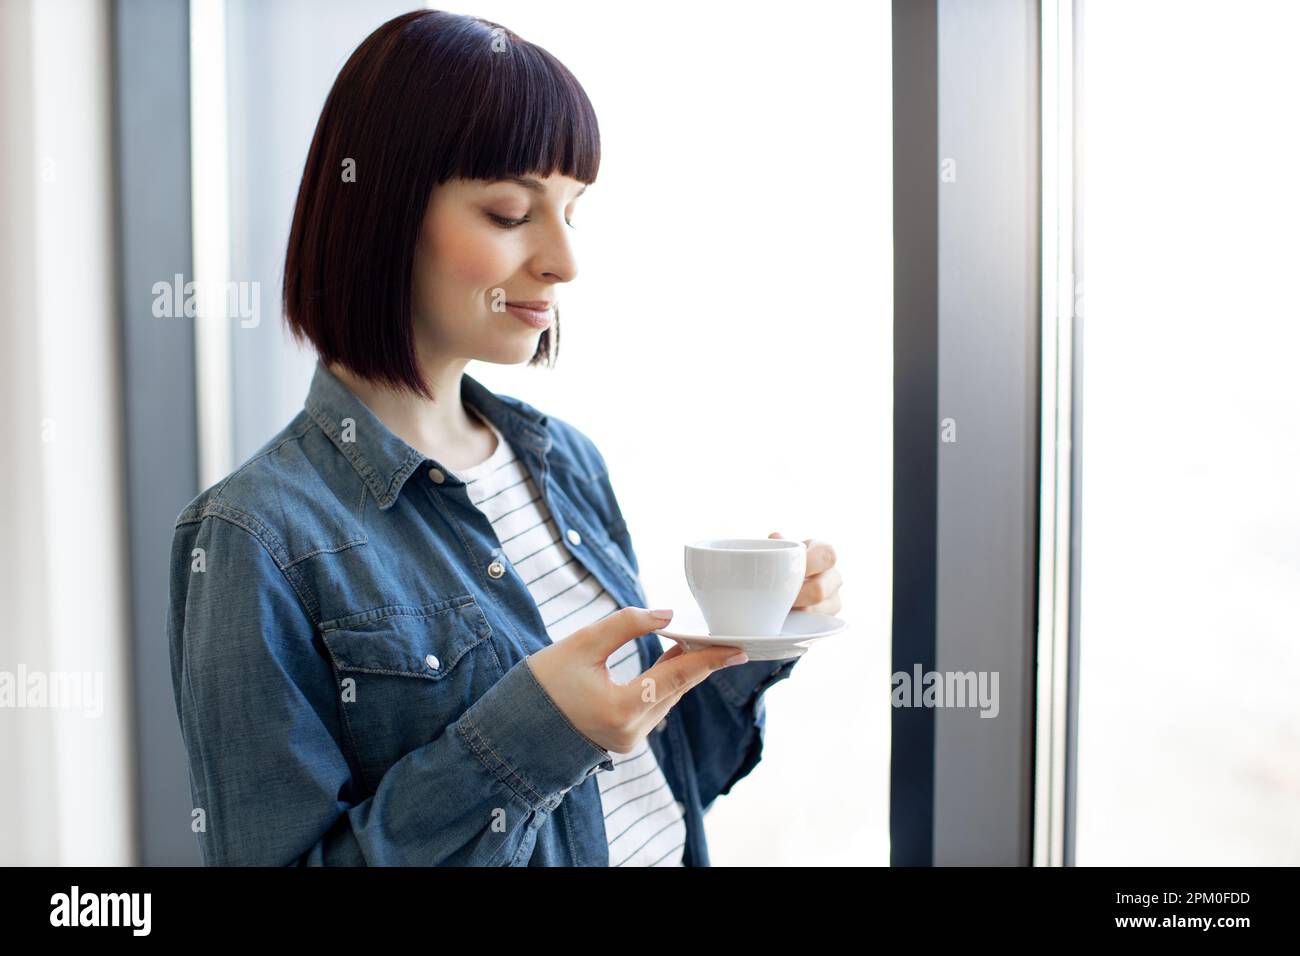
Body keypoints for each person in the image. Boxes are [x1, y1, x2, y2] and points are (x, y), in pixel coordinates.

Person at [166, 8, 843, 867]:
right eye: (510, 211)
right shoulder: (251, 540)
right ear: (381, 212)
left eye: (573, 211)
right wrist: (528, 739)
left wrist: (751, 643)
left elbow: (647, 793)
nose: (565, 260)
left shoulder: (564, 463)